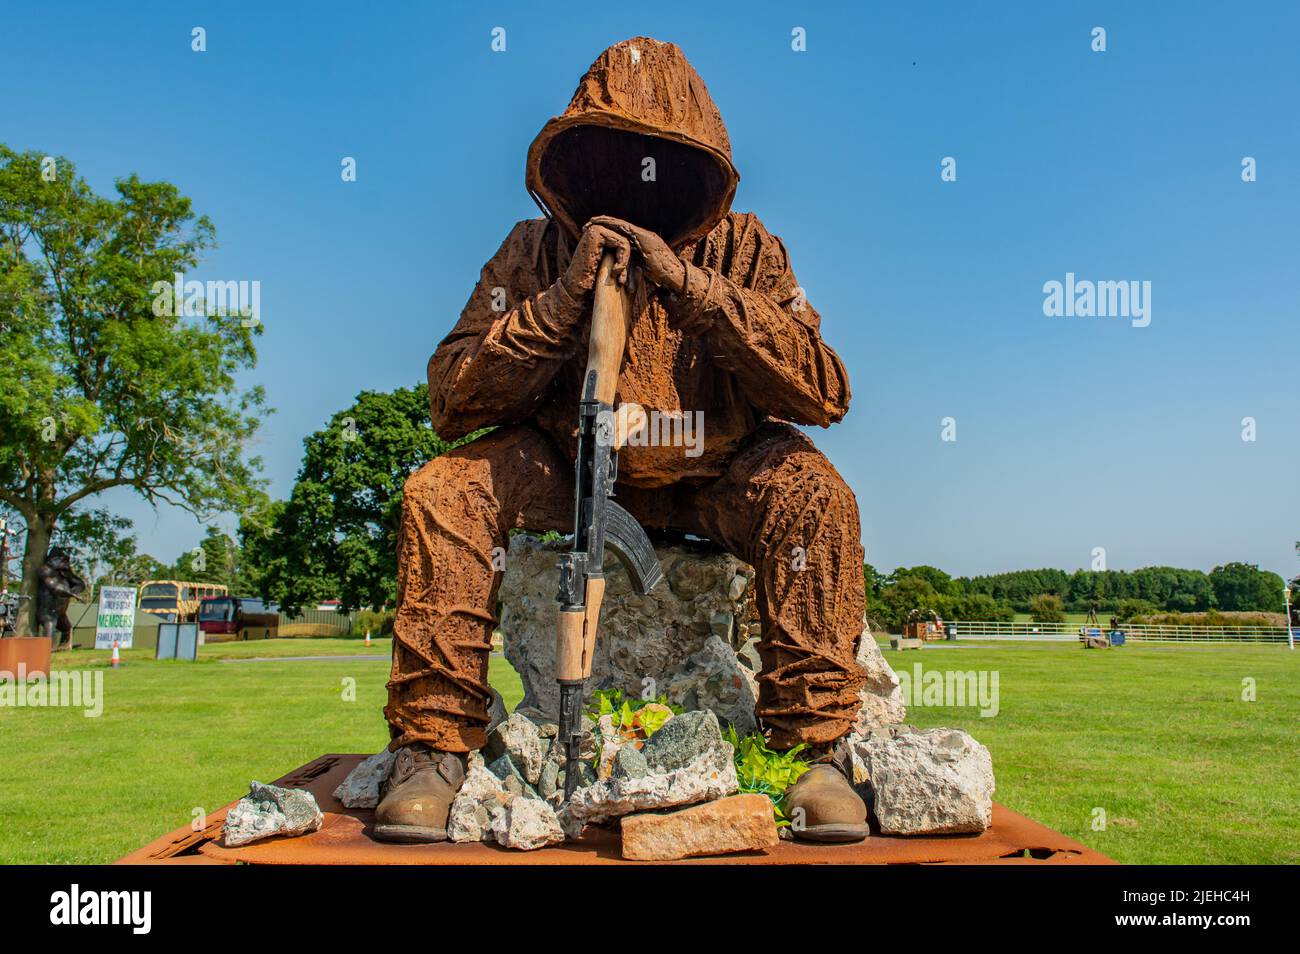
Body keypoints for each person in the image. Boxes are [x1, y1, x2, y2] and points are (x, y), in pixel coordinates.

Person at [377, 37, 869, 844]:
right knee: (444, 490)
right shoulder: (530, 251)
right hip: (569, 462)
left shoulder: (745, 250)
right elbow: (451, 393)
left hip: (716, 468)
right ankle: (431, 747)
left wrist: (692, 287)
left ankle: (816, 750)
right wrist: (562, 301)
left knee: (815, 495)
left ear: (702, 168)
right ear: (571, 164)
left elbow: (822, 386)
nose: (637, 176)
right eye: (611, 155)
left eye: (662, 159)